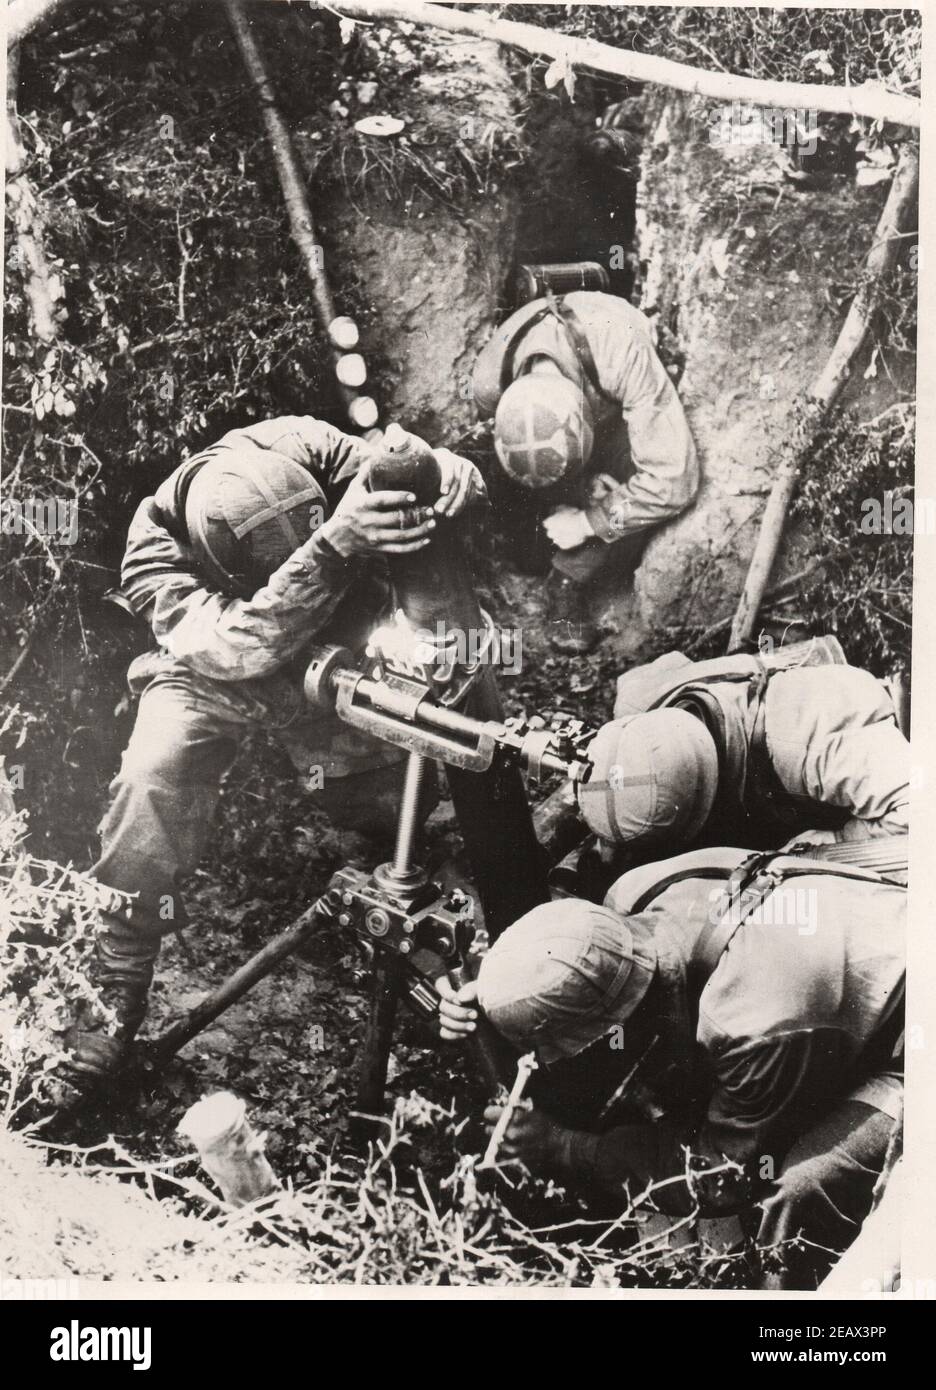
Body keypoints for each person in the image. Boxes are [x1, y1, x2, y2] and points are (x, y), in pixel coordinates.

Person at [68, 416, 484, 1082]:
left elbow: (422, 477)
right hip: (217, 661)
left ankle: (400, 860)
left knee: (382, 803)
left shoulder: (306, 443)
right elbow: (235, 648)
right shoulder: (153, 553)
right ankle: (114, 992)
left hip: (337, 639)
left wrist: (443, 478)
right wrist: (332, 548)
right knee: (154, 774)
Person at [438, 845, 905, 1289]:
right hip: (871, 932)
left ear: (614, 1024)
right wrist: (497, 994)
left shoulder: (749, 1022)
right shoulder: (634, 895)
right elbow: (562, 964)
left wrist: (566, 1148)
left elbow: (722, 1178)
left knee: (798, 1190)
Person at [472, 291, 699, 654]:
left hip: (616, 406)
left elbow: (673, 479)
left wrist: (588, 521)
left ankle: (567, 579)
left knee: (629, 492)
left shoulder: (621, 353)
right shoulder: (490, 382)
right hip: (564, 433)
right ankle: (543, 539)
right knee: (527, 549)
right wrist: (572, 492)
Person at [577, 645, 910, 858]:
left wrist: (832, 842)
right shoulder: (641, 700)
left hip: (883, 732)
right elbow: (667, 665)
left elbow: (916, 809)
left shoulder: (807, 747)